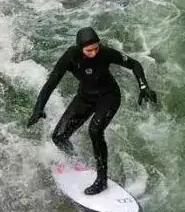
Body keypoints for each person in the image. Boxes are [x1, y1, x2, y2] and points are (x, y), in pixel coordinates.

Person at [27, 27, 156, 195]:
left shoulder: (105, 53)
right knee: (58, 137)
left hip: (109, 97)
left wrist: (143, 86)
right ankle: (75, 161)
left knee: (95, 130)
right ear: (80, 48)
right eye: (89, 50)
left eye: (96, 48)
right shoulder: (70, 56)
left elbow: (134, 64)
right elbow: (51, 82)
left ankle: (102, 181)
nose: (94, 53)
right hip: (85, 98)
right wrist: (38, 108)